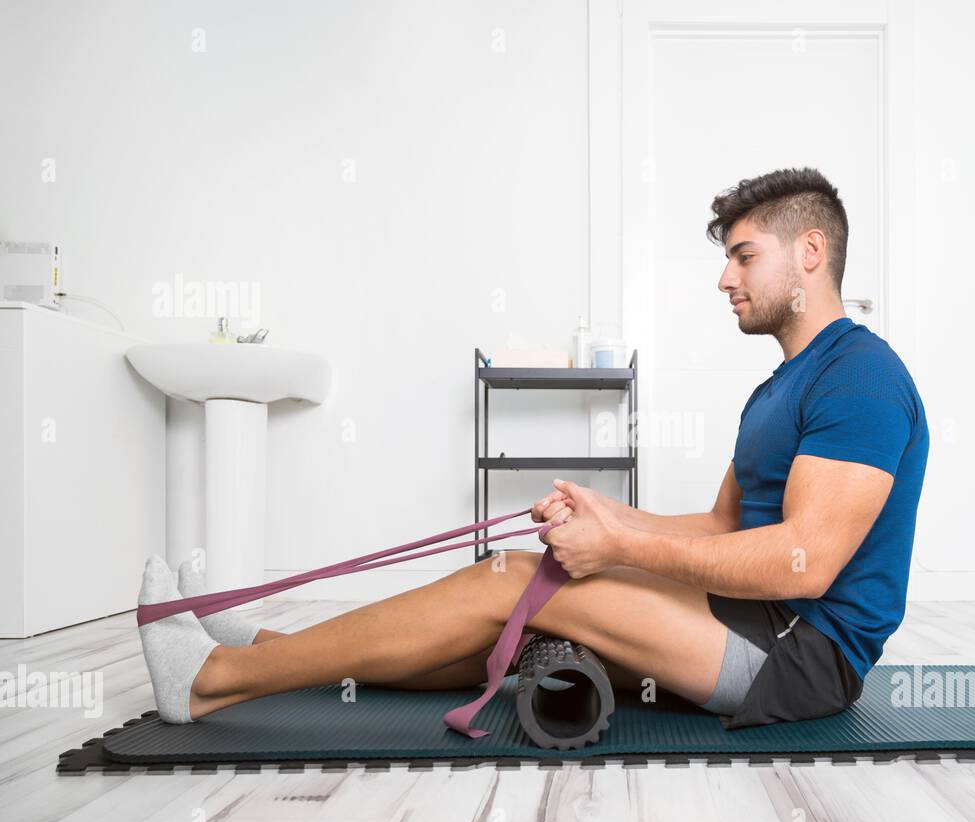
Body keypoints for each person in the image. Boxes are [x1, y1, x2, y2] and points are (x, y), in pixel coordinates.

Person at [138, 166, 929, 729]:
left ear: (811, 254)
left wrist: (620, 548)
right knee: (517, 593)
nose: (724, 278)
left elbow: (806, 562)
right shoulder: (779, 388)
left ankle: (214, 681)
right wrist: (609, 516)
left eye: (744, 255)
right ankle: (279, 647)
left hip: (798, 658)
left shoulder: (859, 379)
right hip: (747, 619)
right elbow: (724, 527)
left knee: (520, 582)